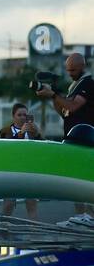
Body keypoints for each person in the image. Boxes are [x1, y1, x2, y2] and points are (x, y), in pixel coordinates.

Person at [36, 52, 94, 228]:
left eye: (73, 70)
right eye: (68, 70)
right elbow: (64, 112)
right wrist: (54, 95)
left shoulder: (88, 83)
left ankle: (87, 216)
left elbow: (73, 106)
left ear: (82, 66)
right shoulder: (73, 86)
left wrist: (54, 95)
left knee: (85, 176)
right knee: (76, 177)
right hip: (73, 137)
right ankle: (81, 215)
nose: (70, 73)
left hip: (86, 138)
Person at [0, 103, 41, 226]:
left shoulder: (32, 131)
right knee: (9, 204)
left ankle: (35, 234)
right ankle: (3, 231)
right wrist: (21, 133)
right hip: (12, 171)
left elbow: (42, 147)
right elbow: (7, 146)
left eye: (25, 115)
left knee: (31, 204)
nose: (22, 117)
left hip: (29, 170)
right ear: (13, 116)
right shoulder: (6, 131)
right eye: (19, 115)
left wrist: (37, 134)